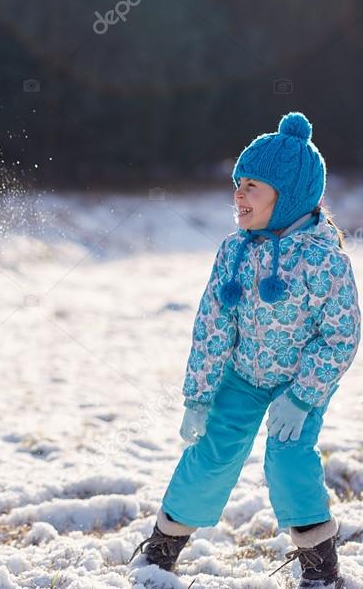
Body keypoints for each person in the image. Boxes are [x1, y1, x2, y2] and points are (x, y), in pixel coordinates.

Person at [132, 112, 360, 588]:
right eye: (237, 182)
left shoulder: (324, 261)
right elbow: (213, 328)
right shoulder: (234, 251)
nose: (238, 193)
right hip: (241, 375)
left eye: (252, 184)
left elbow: (340, 335)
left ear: (290, 194)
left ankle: (320, 564)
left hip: (299, 382)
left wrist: (302, 396)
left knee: (289, 456)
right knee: (211, 453)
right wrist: (198, 397)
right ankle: (162, 546)